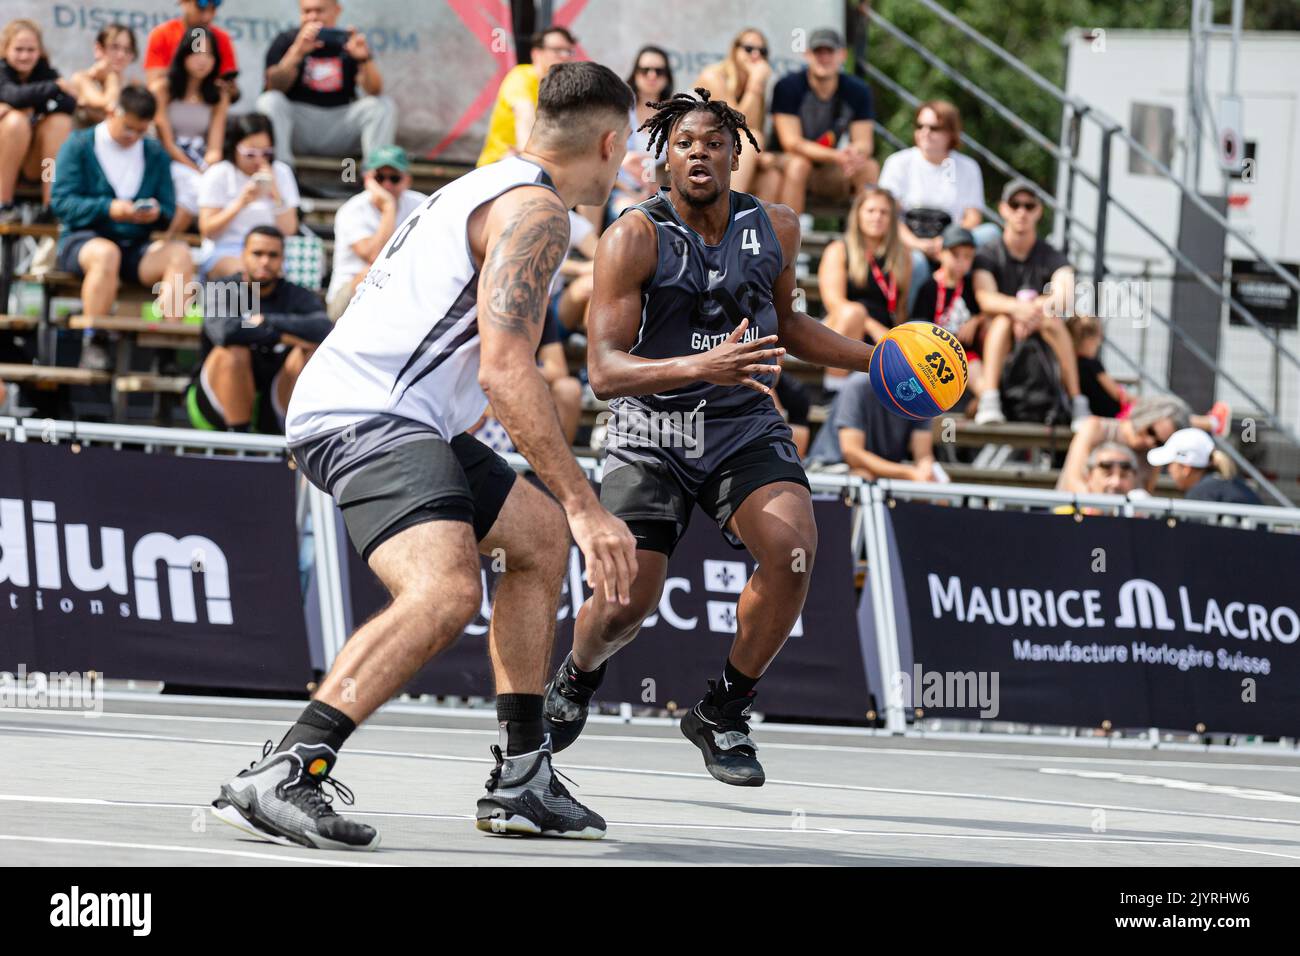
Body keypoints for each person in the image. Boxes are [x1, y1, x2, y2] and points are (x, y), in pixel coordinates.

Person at [210, 62, 638, 849]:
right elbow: (506, 368)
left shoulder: (477, 185)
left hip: (394, 409)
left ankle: (523, 776)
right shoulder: (539, 211)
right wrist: (588, 505)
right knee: (446, 592)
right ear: (611, 143)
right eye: (629, 147)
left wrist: (555, 505)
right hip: (368, 412)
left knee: (536, 540)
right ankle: (289, 768)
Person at [542, 88, 878, 788]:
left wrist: (879, 360)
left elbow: (787, 327)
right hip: (652, 429)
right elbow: (603, 370)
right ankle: (576, 676)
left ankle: (723, 709)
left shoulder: (775, 226)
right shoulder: (633, 235)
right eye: (687, 143)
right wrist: (704, 363)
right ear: (667, 158)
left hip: (739, 423)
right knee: (628, 603)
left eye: (714, 143)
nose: (701, 152)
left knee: (792, 555)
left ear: (734, 155)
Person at [50, 85, 194, 322]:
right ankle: (94, 339)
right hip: (83, 241)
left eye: (141, 131)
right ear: (112, 113)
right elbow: (61, 203)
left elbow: (168, 209)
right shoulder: (78, 145)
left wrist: (155, 213)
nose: (133, 137)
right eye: (128, 128)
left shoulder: (155, 152)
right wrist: (109, 209)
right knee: (107, 254)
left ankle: (167, 342)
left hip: (135, 246)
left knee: (180, 255)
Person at [971, 178, 1089, 429]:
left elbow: (1065, 295)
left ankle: (1076, 400)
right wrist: (1020, 311)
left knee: (1051, 321)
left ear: (1038, 210)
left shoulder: (1051, 254)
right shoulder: (988, 254)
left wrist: (1028, 312)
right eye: (1015, 204)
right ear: (1003, 208)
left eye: (1028, 205)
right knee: (1003, 321)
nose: (1021, 211)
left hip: (1040, 333)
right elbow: (985, 298)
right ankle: (990, 399)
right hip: (999, 334)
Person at [188, 226, 331, 433]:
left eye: (273, 255)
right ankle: (239, 440)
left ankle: (291, 436)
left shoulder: (296, 294)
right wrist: (282, 336)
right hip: (214, 401)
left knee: (309, 351)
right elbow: (225, 332)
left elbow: (324, 328)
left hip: (275, 399)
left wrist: (265, 320)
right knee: (233, 351)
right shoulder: (220, 288)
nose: (265, 261)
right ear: (243, 255)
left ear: (282, 260)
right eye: (257, 253)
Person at [879, 101, 999, 310]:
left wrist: (946, 242)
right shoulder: (898, 162)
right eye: (920, 126)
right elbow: (888, 215)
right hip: (907, 239)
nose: (925, 132)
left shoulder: (967, 167)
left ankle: (982, 310)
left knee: (991, 233)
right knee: (916, 263)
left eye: (934, 128)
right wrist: (918, 244)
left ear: (951, 133)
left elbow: (972, 217)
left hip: (951, 240)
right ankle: (910, 325)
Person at [258, 0, 396, 167]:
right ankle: (282, 171)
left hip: (339, 127)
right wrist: (296, 52)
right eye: (306, 11)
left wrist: (363, 59)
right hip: (298, 127)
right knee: (270, 100)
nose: (312, 17)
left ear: (337, 11)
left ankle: (375, 175)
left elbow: (374, 89)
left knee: (382, 105)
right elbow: (273, 87)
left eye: (319, 11)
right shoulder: (287, 40)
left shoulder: (348, 42)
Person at [756, 27, 876, 216]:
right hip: (785, 161)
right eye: (818, 51)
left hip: (829, 167)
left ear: (842, 55)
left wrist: (854, 152)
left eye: (830, 51)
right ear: (807, 55)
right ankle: (790, 236)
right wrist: (837, 156)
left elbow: (865, 142)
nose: (824, 57)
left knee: (869, 167)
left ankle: (865, 238)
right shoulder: (788, 86)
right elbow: (791, 143)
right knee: (799, 164)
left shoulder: (858, 90)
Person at [818, 185, 909, 390]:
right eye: (871, 211)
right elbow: (835, 304)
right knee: (853, 312)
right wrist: (874, 327)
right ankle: (833, 389)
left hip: (882, 331)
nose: (877, 217)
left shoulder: (902, 256)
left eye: (884, 212)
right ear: (857, 214)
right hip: (841, 329)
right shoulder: (839, 249)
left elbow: (900, 307)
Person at [326, 144, 425, 320]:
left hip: (403, 290)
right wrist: (389, 207)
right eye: (380, 177)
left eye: (394, 178)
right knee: (374, 272)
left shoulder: (421, 204)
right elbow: (375, 257)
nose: (387, 184)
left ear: (407, 180)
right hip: (348, 297)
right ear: (368, 179)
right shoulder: (352, 210)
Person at [198, 112, 299, 277]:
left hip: (270, 254)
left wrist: (275, 192)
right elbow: (208, 231)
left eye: (266, 153)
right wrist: (240, 203)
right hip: (225, 251)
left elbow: (289, 229)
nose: (258, 160)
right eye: (250, 154)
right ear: (234, 147)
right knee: (248, 274)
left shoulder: (281, 173)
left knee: (267, 273)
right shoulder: (218, 173)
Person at [154, 26, 230, 237]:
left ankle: (169, 241)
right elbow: (166, 142)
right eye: (196, 52)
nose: (202, 60)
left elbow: (215, 147)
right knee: (195, 187)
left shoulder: (218, 95)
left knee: (209, 184)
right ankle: (170, 241)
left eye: (208, 54)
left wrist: (206, 168)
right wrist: (196, 171)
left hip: (201, 160)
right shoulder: (163, 89)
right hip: (169, 159)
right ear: (184, 54)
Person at [0, 19, 76, 222]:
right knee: (15, 122)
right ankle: (3, 204)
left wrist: (32, 107)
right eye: (18, 49)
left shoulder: (44, 72)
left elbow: (68, 103)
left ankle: (50, 203)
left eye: (30, 50)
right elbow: (13, 95)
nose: (24, 55)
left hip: (37, 165)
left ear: (39, 51)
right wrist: (52, 89)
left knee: (59, 122)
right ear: (5, 49)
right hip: (4, 162)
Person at [805, 371, 936, 481]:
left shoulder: (922, 398)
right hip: (828, 467)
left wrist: (925, 472)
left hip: (882, 476)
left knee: (937, 490)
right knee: (863, 479)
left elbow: (923, 454)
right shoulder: (858, 384)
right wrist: (909, 473)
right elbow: (852, 454)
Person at [477, 27, 575, 167]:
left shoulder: (563, 89)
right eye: (557, 50)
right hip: (499, 164)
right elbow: (525, 117)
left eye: (569, 51)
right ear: (536, 54)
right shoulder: (521, 77)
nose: (565, 56)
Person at [1058, 394, 1191, 495]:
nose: (1150, 442)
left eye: (1160, 442)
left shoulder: (1153, 456)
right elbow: (1073, 480)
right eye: (1151, 431)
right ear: (1146, 414)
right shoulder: (1096, 428)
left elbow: (1145, 493)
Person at [693, 28, 771, 194]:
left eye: (762, 51)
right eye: (749, 49)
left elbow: (752, 128)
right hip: (695, 141)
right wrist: (755, 84)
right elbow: (736, 124)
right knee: (753, 141)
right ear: (735, 50)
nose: (755, 55)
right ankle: (730, 212)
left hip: (721, 145)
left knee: (772, 174)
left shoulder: (752, 83)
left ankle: (761, 220)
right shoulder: (713, 76)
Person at [609, 45, 672, 218]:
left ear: (667, 76)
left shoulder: (675, 115)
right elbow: (607, 160)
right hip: (622, 192)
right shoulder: (621, 110)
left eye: (659, 71)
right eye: (645, 70)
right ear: (635, 74)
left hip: (664, 193)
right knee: (632, 215)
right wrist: (632, 193)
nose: (652, 75)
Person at [144, 0, 239, 102]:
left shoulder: (222, 38)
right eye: (201, 8)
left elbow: (232, 92)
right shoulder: (163, 34)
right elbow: (153, 84)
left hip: (208, 109)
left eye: (209, 53)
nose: (207, 16)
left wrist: (227, 89)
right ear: (184, 3)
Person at [1148, 427, 1260, 505]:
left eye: (1170, 464)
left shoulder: (1200, 494)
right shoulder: (1233, 483)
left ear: (1186, 469)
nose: (1169, 470)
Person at [68, 24, 138, 126]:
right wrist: (112, 77)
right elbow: (108, 105)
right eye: (114, 47)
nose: (121, 55)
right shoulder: (81, 79)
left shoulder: (134, 86)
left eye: (127, 50)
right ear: (98, 49)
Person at [1067, 314, 1128, 419]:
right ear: (1089, 340)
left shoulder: (1072, 364)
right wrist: (1134, 399)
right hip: (1109, 415)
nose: (1099, 344)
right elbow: (1117, 393)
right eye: (1098, 339)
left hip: (1092, 413)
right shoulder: (1093, 364)